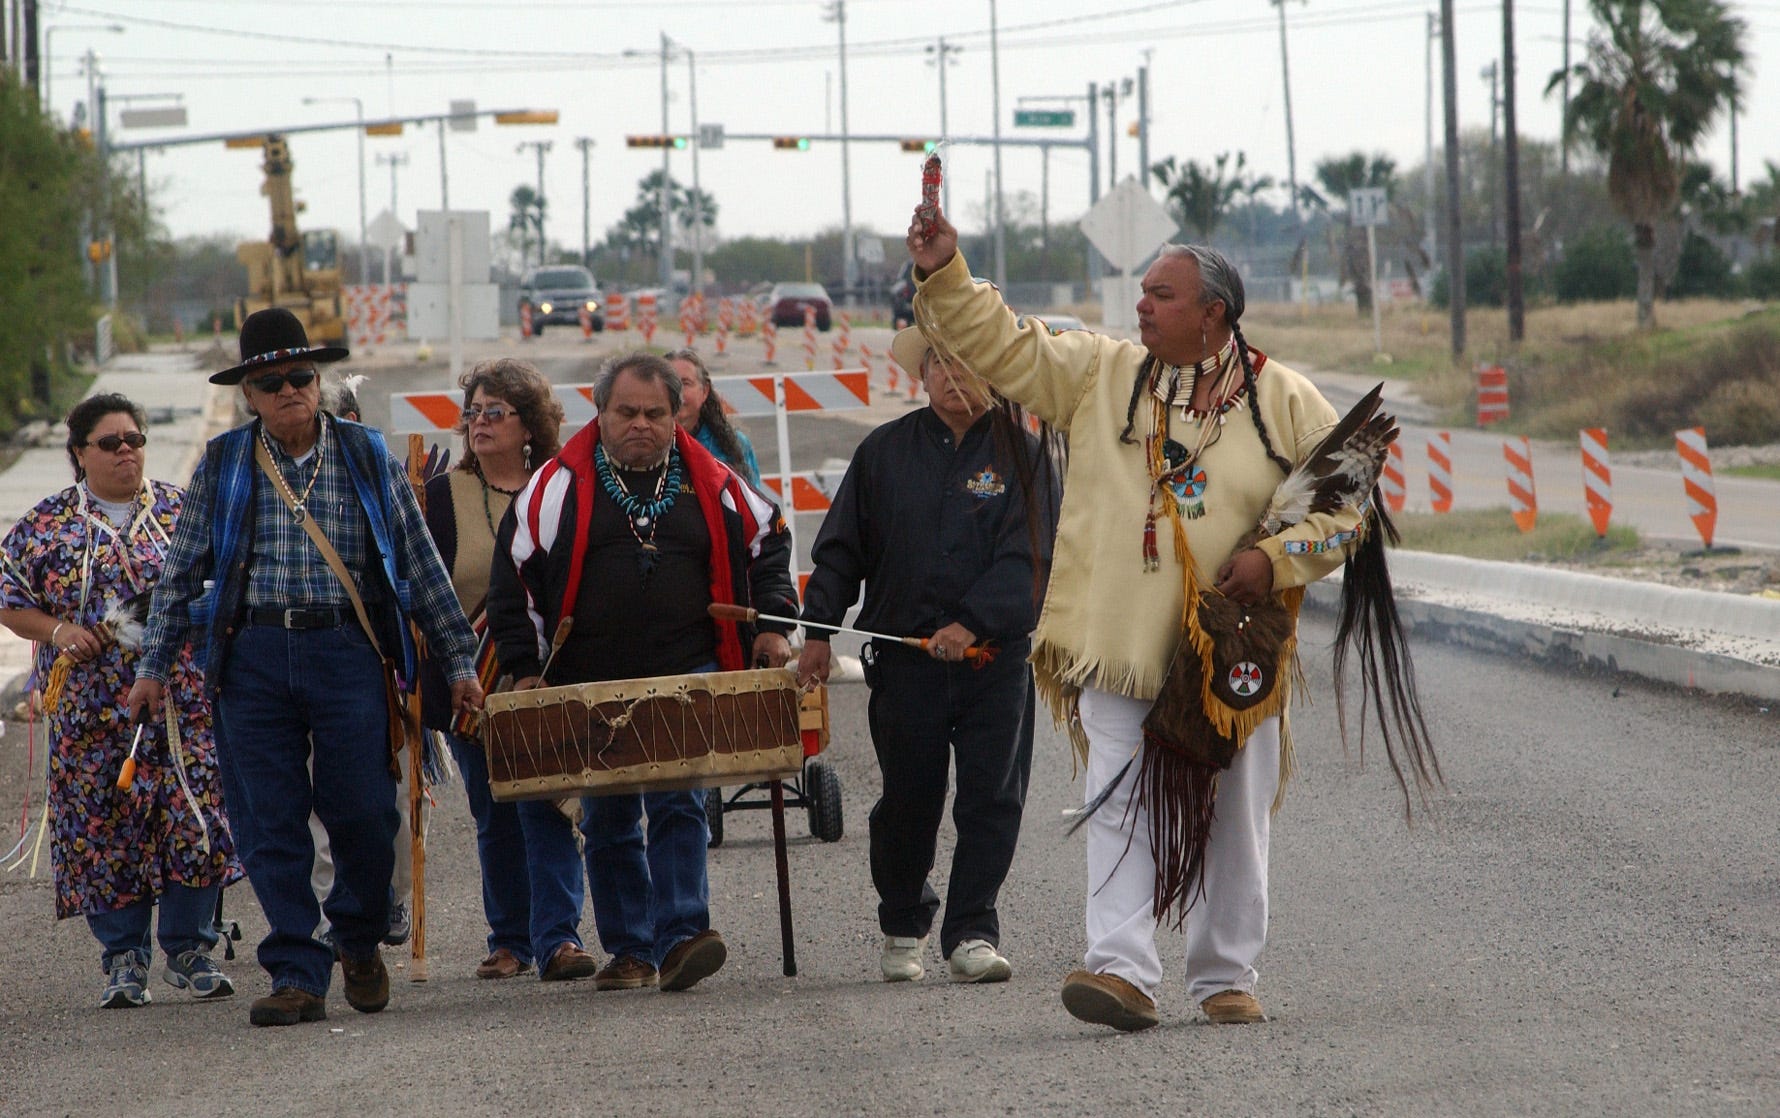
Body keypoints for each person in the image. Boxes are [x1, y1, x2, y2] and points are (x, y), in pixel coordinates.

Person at [905, 211, 1397, 1031]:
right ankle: (1120, 971)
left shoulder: (1284, 399)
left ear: (1213, 314)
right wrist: (946, 269)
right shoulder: (1101, 375)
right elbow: (1002, 344)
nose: (1141, 306)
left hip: (1233, 655)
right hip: (1119, 644)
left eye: (1160, 294)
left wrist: (1271, 563)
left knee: (1236, 809)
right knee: (1118, 802)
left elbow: (1349, 509)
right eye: (1140, 292)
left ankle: (1224, 977)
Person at [127, 307, 483, 1028]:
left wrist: (461, 663)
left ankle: (356, 937)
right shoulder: (225, 462)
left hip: (347, 650)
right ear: (250, 396)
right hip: (251, 656)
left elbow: (419, 564)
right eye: (271, 381)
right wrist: (154, 665)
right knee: (268, 820)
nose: (289, 390)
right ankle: (295, 967)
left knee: (364, 811)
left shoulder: (364, 453)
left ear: (318, 383)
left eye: (300, 376)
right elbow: (178, 575)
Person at [487, 351, 797, 994]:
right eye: (626, 412)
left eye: (657, 413)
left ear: (678, 413)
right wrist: (522, 670)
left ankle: (683, 935)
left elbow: (768, 542)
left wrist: (772, 625)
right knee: (607, 820)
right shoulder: (555, 487)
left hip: (686, 670)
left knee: (680, 799)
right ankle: (631, 949)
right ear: (599, 412)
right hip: (588, 681)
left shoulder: (714, 480)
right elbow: (511, 584)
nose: (641, 424)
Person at [796, 327, 1057, 985]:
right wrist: (818, 632)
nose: (951, 374)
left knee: (991, 798)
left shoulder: (1024, 458)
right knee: (908, 798)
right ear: (922, 374)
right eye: (938, 361)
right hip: (903, 661)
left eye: (967, 360)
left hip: (993, 664)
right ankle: (902, 923)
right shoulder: (883, 452)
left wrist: (972, 624)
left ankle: (972, 930)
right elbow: (841, 550)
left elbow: (1029, 560)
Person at [0, 393, 242, 1009]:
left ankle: (190, 949)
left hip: (180, 703)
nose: (126, 451)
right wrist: (58, 632)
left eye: (134, 439)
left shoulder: (181, 511)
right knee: (103, 828)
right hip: (90, 710)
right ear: (80, 453)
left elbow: (226, 578)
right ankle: (123, 958)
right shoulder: (45, 527)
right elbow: (8, 597)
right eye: (110, 442)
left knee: (194, 819)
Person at [417, 358, 604, 983]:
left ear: (530, 424)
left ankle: (559, 939)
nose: (478, 423)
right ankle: (509, 940)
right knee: (494, 811)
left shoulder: (562, 487)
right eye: (471, 413)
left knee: (548, 807)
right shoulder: (440, 496)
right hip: (472, 683)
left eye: (493, 412)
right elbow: (424, 585)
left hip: (546, 676)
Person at [305, 373, 418, 952]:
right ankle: (330, 910)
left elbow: (417, 569)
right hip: (298, 663)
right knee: (314, 800)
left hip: (376, 661)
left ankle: (389, 899)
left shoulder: (379, 476)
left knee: (383, 795)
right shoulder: (277, 483)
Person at [668, 347, 760, 484]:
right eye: (669, 383)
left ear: (704, 391)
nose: (677, 392)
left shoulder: (735, 446)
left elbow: (751, 502)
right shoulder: (644, 444)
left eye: (685, 383)